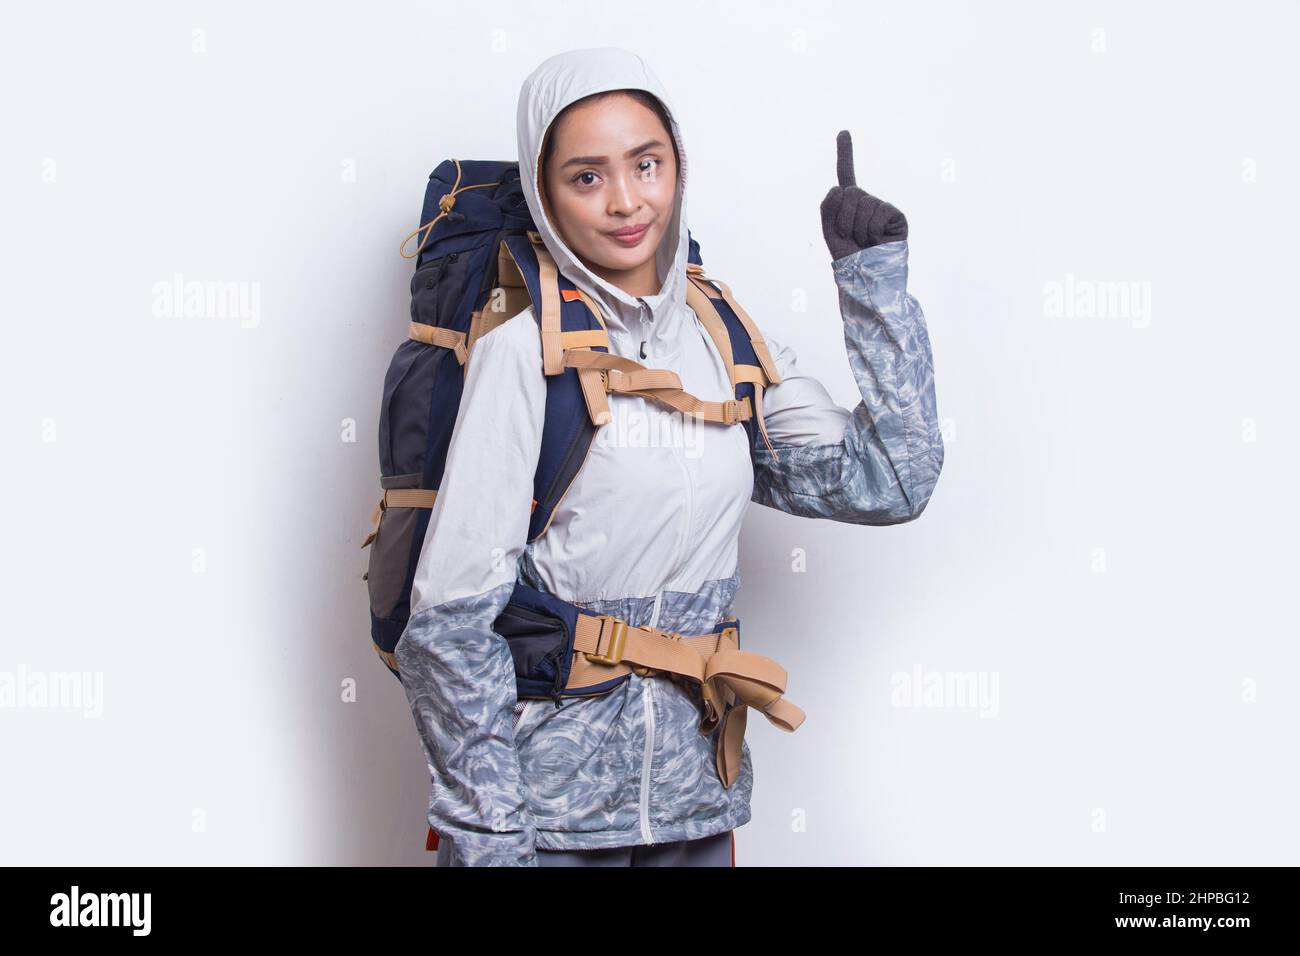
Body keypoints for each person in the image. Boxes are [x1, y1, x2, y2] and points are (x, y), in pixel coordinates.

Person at [393, 46, 944, 867]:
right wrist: (489, 832)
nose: (626, 201)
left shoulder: (724, 332)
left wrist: (874, 284)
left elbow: (890, 483)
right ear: (545, 196)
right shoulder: (522, 354)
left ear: (677, 164)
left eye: (646, 165)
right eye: (586, 176)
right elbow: (447, 620)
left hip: (695, 804)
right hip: (550, 818)